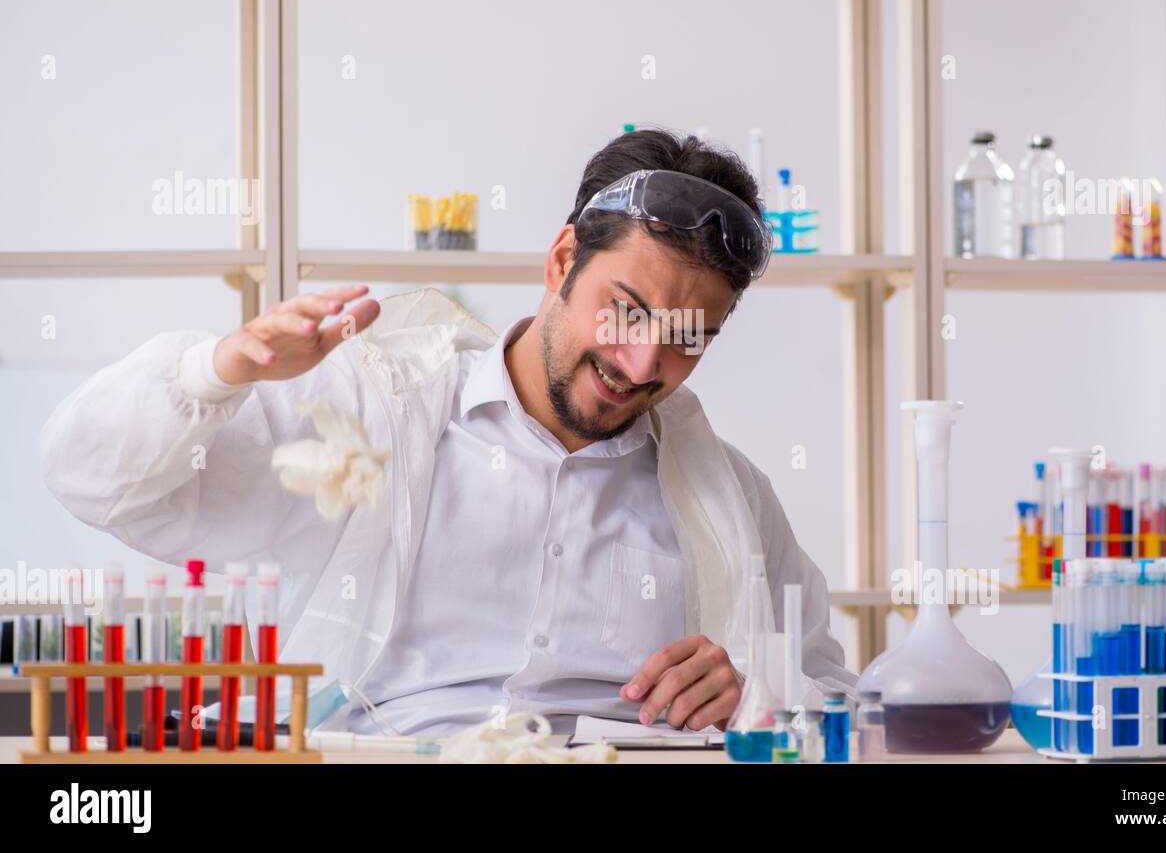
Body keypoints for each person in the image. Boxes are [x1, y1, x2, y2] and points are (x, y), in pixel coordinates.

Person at [41, 128, 857, 738]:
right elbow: (86, 475)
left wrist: (755, 685)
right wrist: (213, 373)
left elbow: (831, 692)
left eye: (686, 337)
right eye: (627, 309)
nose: (641, 361)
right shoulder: (367, 424)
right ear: (562, 260)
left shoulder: (728, 498)